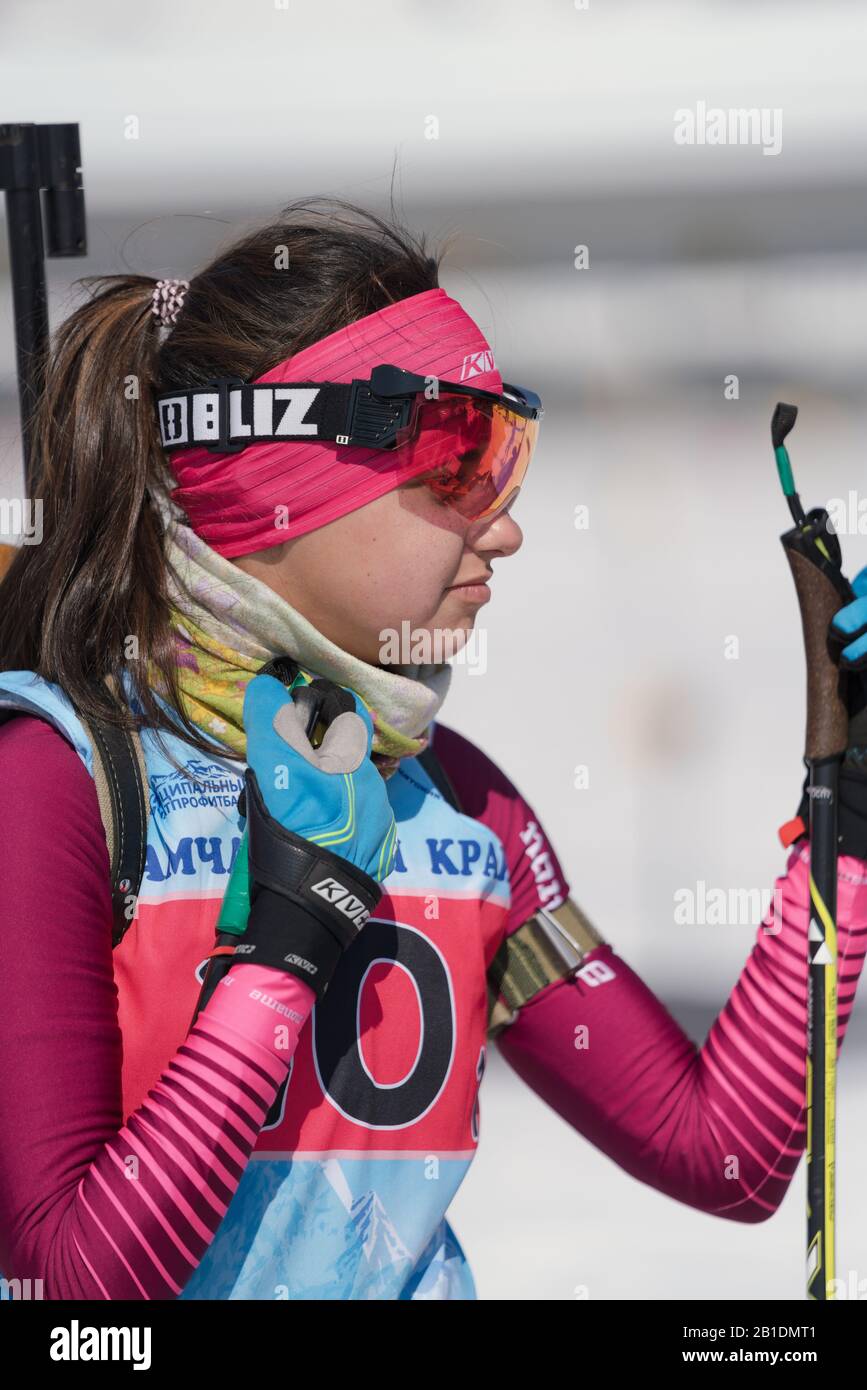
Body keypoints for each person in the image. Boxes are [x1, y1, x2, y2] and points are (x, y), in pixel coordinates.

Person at [0, 197, 865, 1302]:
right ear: (273, 486)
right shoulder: (59, 779)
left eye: (511, 452)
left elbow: (724, 1152)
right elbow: (74, 1287)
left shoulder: (457, 797)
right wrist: (286, 947)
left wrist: (851, 820)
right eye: (460, 455)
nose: (504, 520)